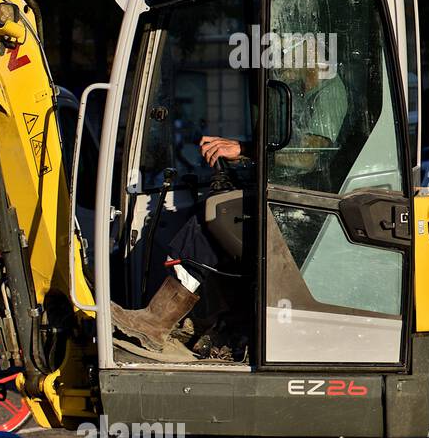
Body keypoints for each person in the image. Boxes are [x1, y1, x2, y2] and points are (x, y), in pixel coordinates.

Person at [113, 61, 349, 358]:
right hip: (288, 194)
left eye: (284, 51)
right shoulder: (300, 91)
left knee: (216, 217)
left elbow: (311, 157)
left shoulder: (328, 92)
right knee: (216, 208)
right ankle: (209, 323)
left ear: (309, 49)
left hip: (310, 204)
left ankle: (157, 321)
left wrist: (244, 149)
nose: (277, 62)